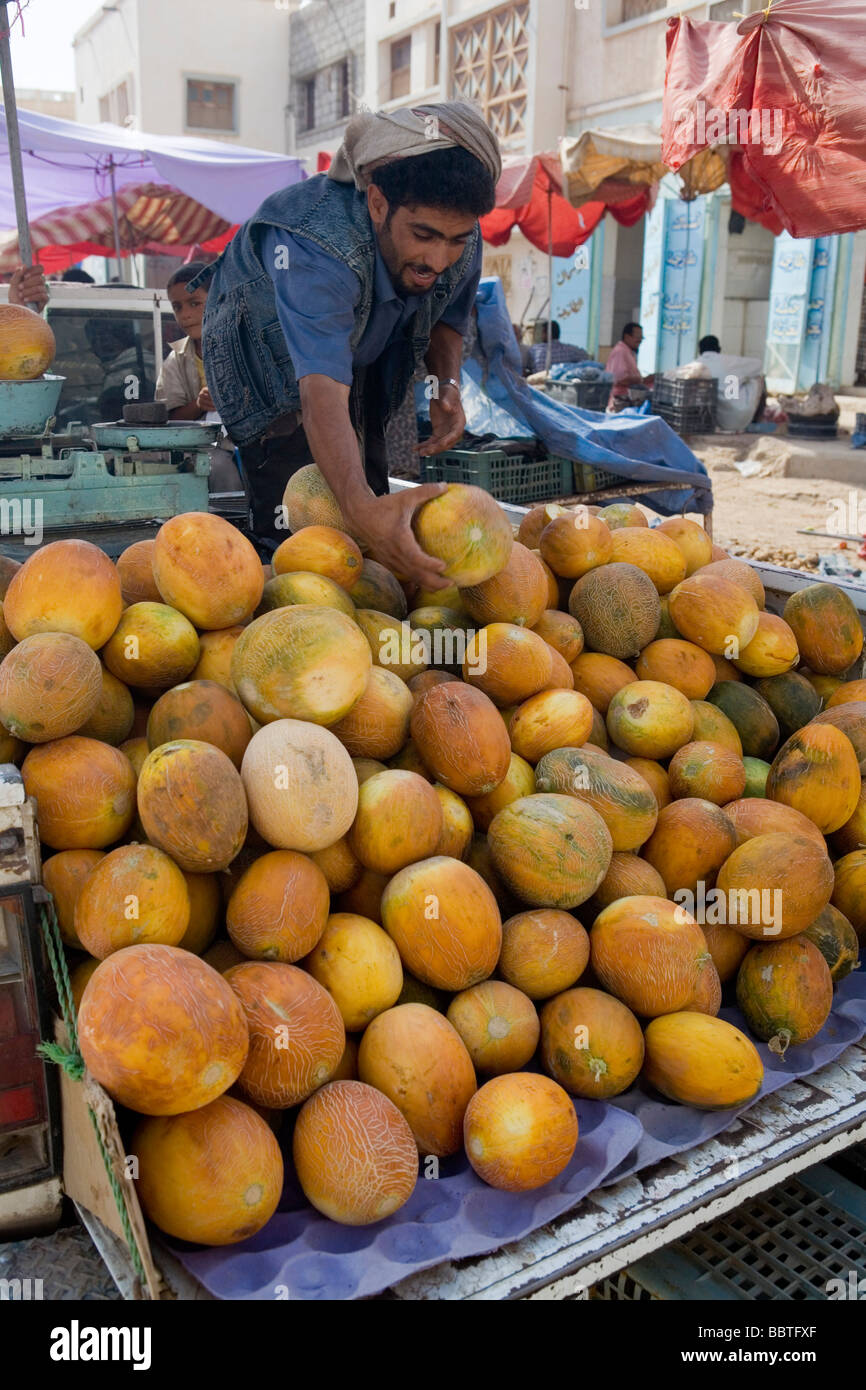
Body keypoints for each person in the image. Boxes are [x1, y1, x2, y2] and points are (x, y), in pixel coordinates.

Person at [193, 101, 500, 580]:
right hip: (263, 353)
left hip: (366, 346)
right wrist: (360, 511)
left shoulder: (464, 235)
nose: (439, 258)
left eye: (456, 240)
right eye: (423, 235)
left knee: (368, 486)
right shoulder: (317, 250)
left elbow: (448, 320)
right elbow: (319, 394)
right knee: (301, 505)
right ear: (378, 204)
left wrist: (446, 387)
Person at [155, 263, 214, 421]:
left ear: (218, 299)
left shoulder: (246, 347)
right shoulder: (175, 361)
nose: (185, 315)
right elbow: (170, 418)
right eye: (177, 307)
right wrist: (199, 404)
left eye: (194, 303)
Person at [605, 321, 651, 411]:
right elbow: (620, 378)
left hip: (627, 401)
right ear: (627, 337)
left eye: (641, 338)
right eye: (637, 338)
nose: (640, 341)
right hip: (619, 402)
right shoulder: (620, 351)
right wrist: (640, 380)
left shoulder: (628, 351)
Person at [525, 320, 590, 375]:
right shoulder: (569, 350)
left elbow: (526, 365)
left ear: (545, 334)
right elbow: (586, 356)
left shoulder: (535, 350)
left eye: (542, 332)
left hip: (539, 384)